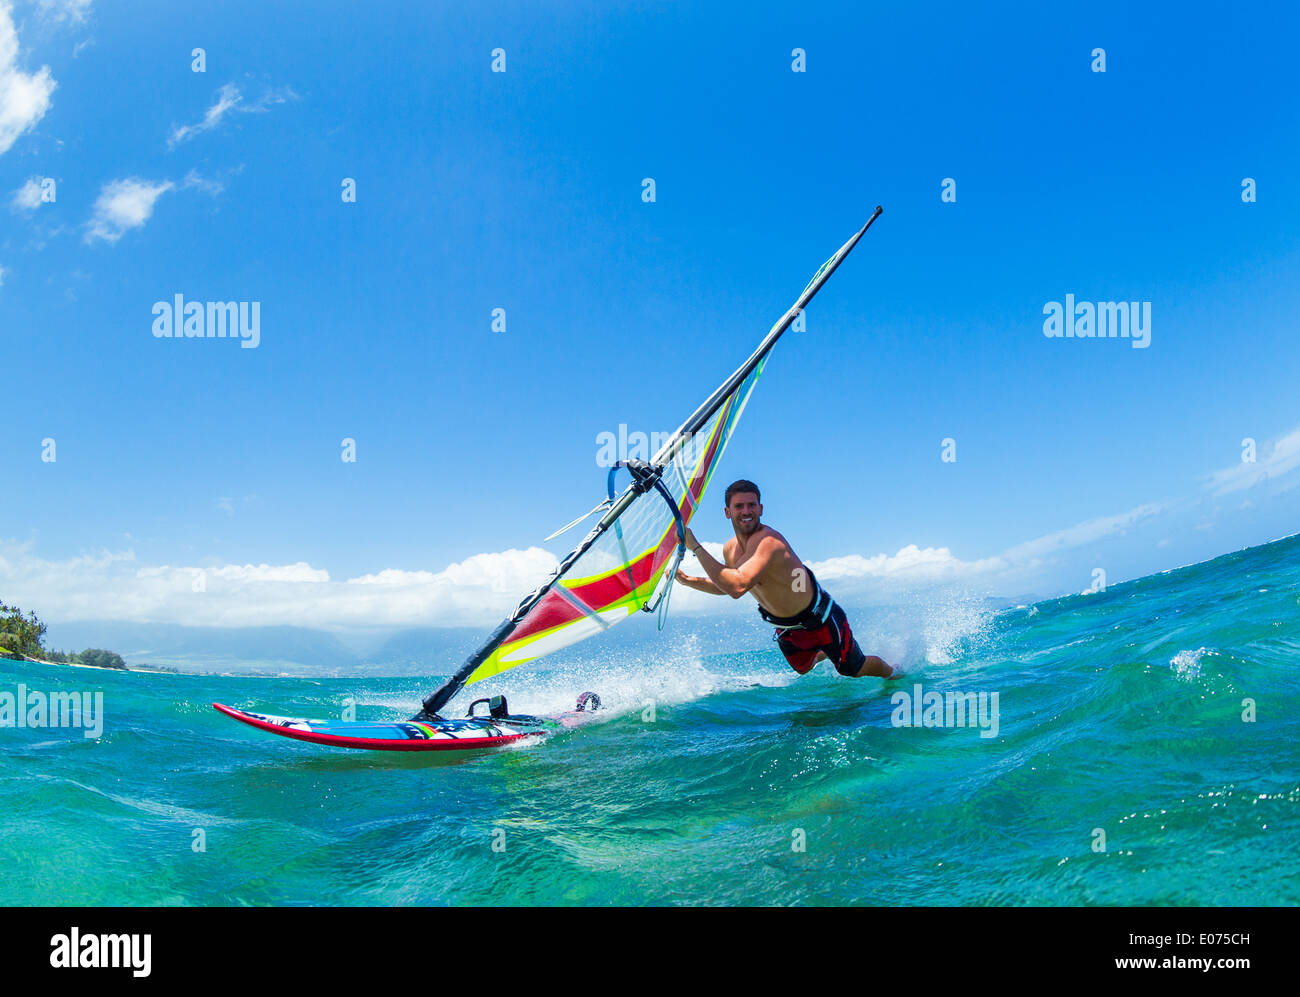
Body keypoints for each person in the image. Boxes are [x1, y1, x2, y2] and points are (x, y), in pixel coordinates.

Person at [676, 479, 899, 679]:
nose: (746, 511)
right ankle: (823, 652)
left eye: (751, 505)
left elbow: (737, 587)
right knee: (803, 668)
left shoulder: (768, 542)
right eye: (739, 506)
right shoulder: (730, 549)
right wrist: (687, 580)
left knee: (852, 669)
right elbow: (726, 583)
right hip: (787, 628)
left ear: (761, 508)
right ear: (727, 512)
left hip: (820, 619)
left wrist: (695, 546)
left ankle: (894, 673)